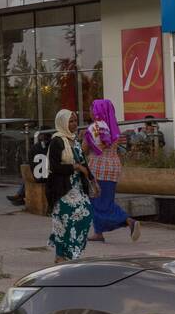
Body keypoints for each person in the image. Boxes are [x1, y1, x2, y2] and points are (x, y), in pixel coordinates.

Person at [84, 99, 141, 243]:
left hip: (98, 168)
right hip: (113, 167)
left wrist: (82, 140)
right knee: (106, 199)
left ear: (97, 111)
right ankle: (98, 232)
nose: (90, 112)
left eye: (92, 109)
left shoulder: (94, 128)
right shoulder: (113, 127)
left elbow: (84, 149)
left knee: (97, 202)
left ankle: (128, 221)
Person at [46, 109, 95, 263]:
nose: (74, 124)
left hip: (77, 187)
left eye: (75, 121)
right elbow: (54, 167)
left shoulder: (75, 140)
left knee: (86, 215)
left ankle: (72, 251)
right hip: (61, 188)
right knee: (63, 222)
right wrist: (74, 167)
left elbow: (83, 162)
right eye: (71, 121)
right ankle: (61, 255)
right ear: (62, 123)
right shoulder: (57, 141)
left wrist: (93, 181)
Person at [8, 130, 49, 206]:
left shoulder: (49, 145)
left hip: (48, 171)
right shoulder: (38, 146)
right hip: (41, 170)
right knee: (29, 177)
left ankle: (19, 195)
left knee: (32, 176)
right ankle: (20, 195)